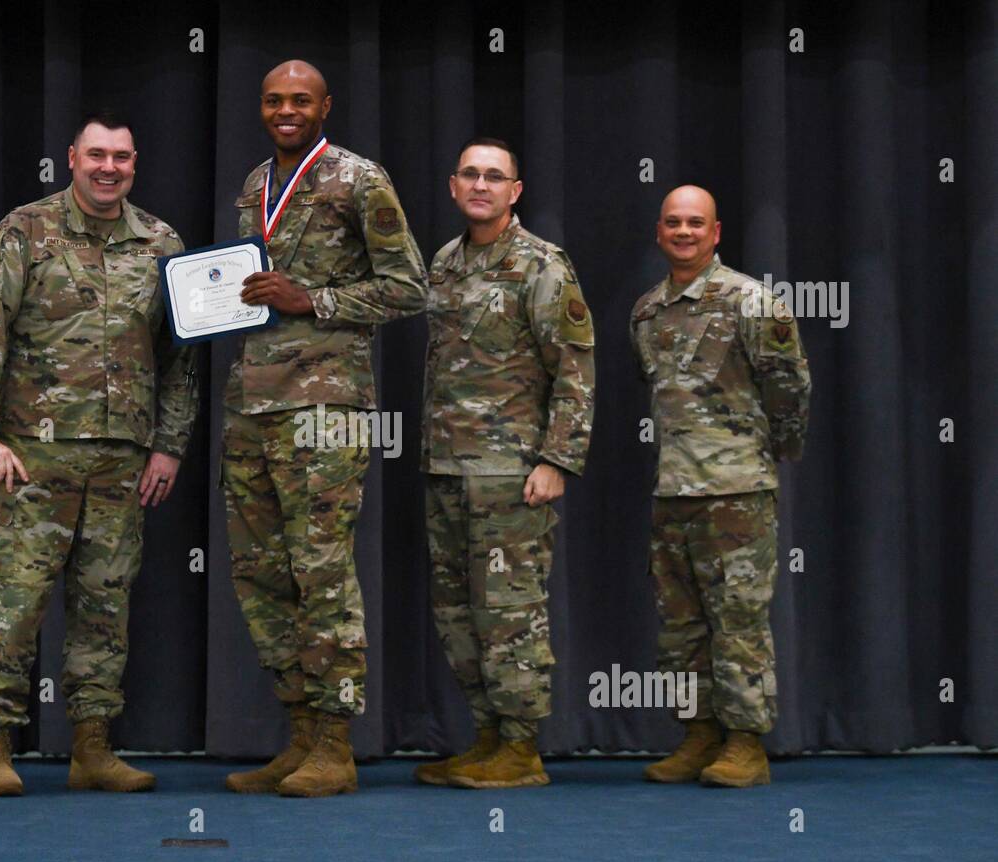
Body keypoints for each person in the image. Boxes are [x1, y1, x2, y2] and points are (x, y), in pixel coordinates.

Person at [0, 112, 198, 797]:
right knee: (14, 601)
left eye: (120, 156)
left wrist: (168, 447)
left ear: (134, 164)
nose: (107, 167)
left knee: (104, 606)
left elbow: (180, 361)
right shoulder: (25, 231)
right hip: (33, 456)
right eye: (96, 156)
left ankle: (92, 748)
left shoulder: (162, 243)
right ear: (72, 159)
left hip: (123, 460)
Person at [222, 60, 426, 797]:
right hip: (252, 402)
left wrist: (317, 300)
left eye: (299, 101)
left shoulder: (358, 180)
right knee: (263, 575)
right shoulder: (253, 184)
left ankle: (336, 746)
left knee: (322, 572)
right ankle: (299, 735)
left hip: (326, 408)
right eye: (274, 99)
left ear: (324, 106)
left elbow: (409, 287)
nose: (286, 110)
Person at [415, 138, 596, 788]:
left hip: (512, 474)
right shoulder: (443, 263)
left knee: (510, 611)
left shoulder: (541, 264)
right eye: (471, 174)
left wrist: (557, 460)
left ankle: (521, 751)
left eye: (495, 176)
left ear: (515, 191)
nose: (482, 185)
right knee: (457, 612)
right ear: (453, 185)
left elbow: (575, 370)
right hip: (446, 468)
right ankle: (487, 737)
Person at [630, 185, 811, 788]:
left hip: (737, 489)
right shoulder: (646, 311)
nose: (683, 232)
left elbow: (789, 389)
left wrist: (768, 454)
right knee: (680, 626)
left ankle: (744, 744)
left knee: (737, 621)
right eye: (673, 222)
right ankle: (698, 734)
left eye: (695, 223)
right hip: (673, 489)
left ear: (716, 231)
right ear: (659, 232)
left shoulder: (752, 302)